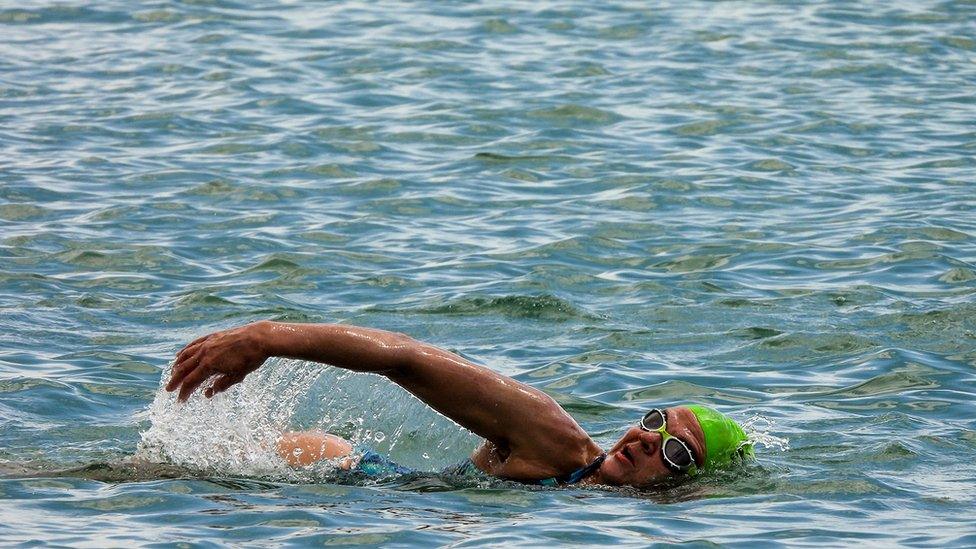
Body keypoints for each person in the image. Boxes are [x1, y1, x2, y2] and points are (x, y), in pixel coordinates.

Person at [166, 321, 752, 487]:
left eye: (675, 452)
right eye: (656, 421)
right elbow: (407, 359)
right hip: (342, 470)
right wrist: (268, 338)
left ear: (687, 487)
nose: (651, 439)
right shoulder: (553, 441)